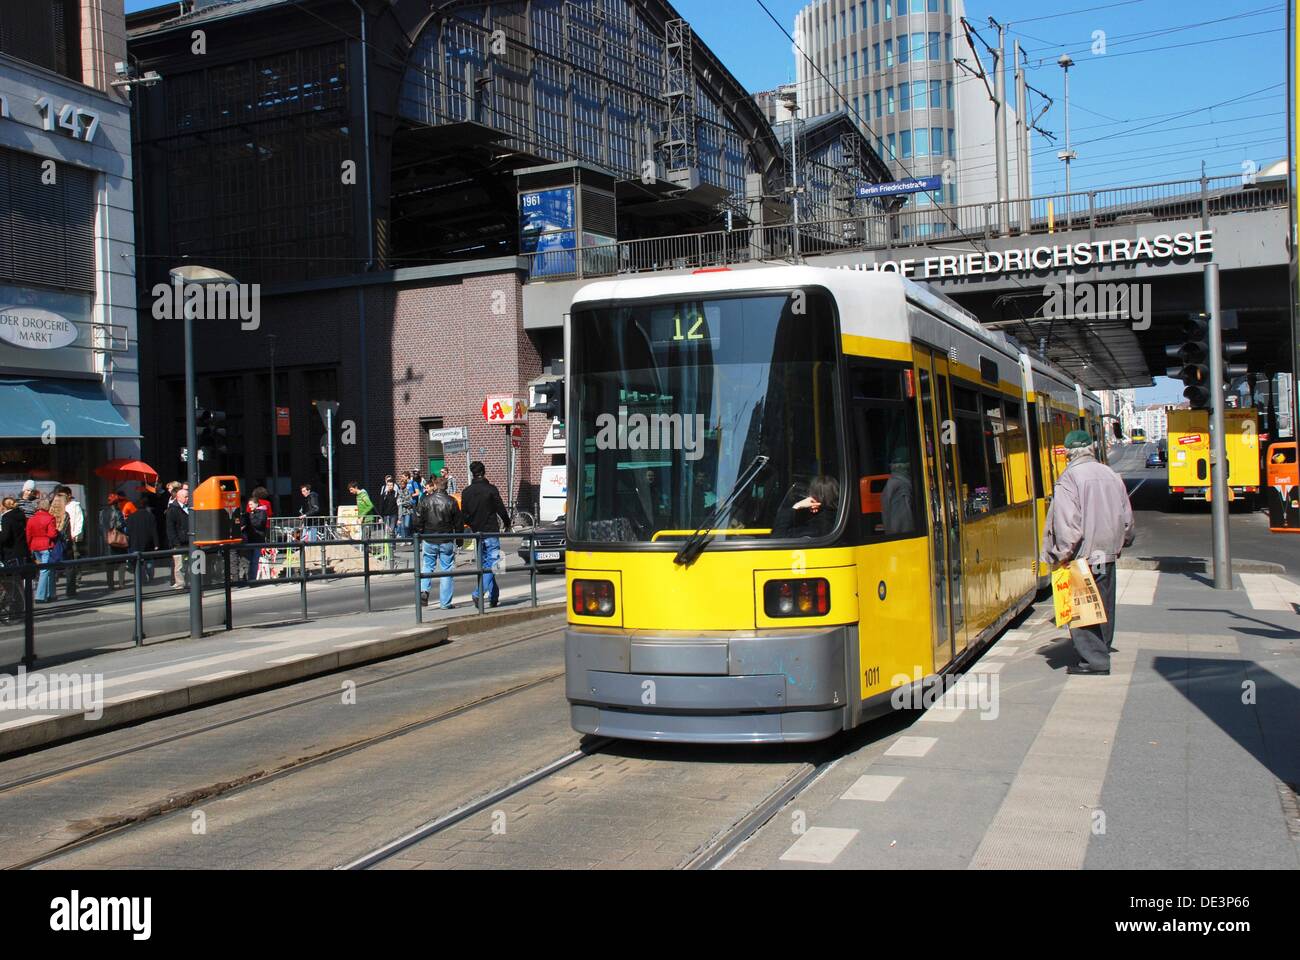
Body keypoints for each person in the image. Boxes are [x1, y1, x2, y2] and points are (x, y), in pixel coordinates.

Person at [1040, 429, 1136, 676]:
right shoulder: (1111, 474)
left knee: (1083, 608)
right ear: (1091, 448)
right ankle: (1102, 648)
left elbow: (1067, 523)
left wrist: (1062, 554)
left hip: (1082, 555)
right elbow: (1127, 519)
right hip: (1108, 553)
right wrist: (1123, 541)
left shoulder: (1070, 478)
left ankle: (1094, 661)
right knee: (1104, 605)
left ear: (1069, 453)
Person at [460, 461, 511, 610]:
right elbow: (501, 509)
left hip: (477, 534)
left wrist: (473, 524)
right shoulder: (491, 489)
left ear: (472, 473)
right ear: (484, 472)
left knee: (487, 565)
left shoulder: (466, 492)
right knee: (494, 563)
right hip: (491, 531)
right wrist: (507, 523)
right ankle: (478, 593)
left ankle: (494, 596)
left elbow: (465, 515)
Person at [415, 476, 462, 609]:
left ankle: (424, 590)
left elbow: (418, 518)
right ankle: (445, 603)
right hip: (446, 539)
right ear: (446, 486)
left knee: (427, 566)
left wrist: (420, 533)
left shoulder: (426, 500)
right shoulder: (451, 501)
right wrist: (459, 539)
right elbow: (458, 522)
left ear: (435, 486)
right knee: (446, 569)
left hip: (429, 538)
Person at [773, 475, 841, 539]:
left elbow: (777, 536)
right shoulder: (839, 517)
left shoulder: (816, 527)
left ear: (813, 496)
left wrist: (797, 506)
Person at [26, 497, 59, 603]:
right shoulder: (50, 518)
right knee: (45, 570)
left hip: (35, 546)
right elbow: (52, 534)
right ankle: (40, 596)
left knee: (46, 570)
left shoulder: (32, 519)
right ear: (47, 507)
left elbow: (28, 535)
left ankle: (51, 594)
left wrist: (29, 547)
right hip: (46, 545)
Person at [1, 497, 29, 621]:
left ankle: (15, 613)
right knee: (17, 583)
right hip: (21, 552)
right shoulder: (20, 515)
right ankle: (20, 610)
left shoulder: (7, 518)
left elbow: (5, 537)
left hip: (11, 553)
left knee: (11, 584)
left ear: (4, 506)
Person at [54, 485, 85, 597]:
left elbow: (79, 521)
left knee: (74, 559)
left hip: (70, 537)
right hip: (61, 539)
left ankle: (76, 580)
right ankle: (70, 586)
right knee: (67, 561)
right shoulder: (60, 507)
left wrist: (75, 534)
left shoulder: (75, 506)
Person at [126, 493, 159, 582]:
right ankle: (150, 575)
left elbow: (128, 531)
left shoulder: (131, 517)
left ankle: (141, 578)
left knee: (138, 561)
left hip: (135, 542)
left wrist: (129, 543)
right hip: (148, 542)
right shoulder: (150, 516)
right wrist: (156, 543)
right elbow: (154, 531)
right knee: (149, 560)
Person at [99, 493, 129, 590]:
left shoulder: (102, 512)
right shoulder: (117, 512)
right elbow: (120, 525)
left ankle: (110, 584)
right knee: (122, 562)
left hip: (106, 540)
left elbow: (100, 526)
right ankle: (121, 583)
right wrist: (125, 520)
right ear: (116, 503)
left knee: (109, 564)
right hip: (116, 540)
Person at [165, 486, 192, 590]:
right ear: (178, 497)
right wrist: (175, 542)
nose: (188, 499)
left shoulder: (190, 507)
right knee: (180, 565)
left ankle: (193, 583)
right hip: (179, 542)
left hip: (189, 540)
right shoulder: (172, 510)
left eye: (188, 496)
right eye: (186, 497)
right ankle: (180, 584)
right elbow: (170, 528)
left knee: (191, 564)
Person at [242, 494, 269, 584]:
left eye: (251, 504)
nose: (249, 507)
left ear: (257, 504)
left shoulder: (262, 513)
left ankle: (252, 579)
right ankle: (248, 577)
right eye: (249, 505)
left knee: (254, 560)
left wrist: (250, 519)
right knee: (248, 559)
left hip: (257, 538)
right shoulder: (250, 514)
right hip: (250, 538)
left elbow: (259, 524)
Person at [377, 475, 399, 540]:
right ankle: (387, 546)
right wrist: (380, 517)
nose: (390, 487)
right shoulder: (384, 495)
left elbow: (398, 505)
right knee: (386, 531)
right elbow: (381, 505)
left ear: (393, 486)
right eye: (388, 485)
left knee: (392, 530)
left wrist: (398, 517)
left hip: (393, 515)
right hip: (385, 515)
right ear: (387, 486)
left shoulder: (396, 494)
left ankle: (393, 546)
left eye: (391, 485)